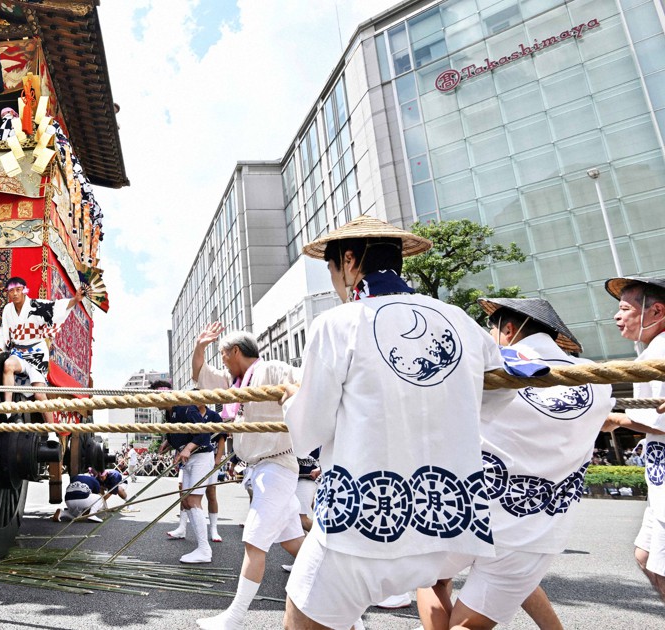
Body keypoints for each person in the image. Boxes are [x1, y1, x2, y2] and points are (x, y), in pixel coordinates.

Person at [278, 216, 511, 630]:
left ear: (349, 261)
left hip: (361, 528)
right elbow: (497, 396)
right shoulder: (462, 322)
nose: (334, 281)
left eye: (332, 269)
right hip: (450, 526)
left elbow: (308, 431)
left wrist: (293, 399)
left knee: (301, 619)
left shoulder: (338, 323)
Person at [417, 297, 615, 629]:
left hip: (466, 512)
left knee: (430, 580)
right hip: (537, 527)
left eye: (491, 329)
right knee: (469, 625)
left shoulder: (486, 366)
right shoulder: (598, 380)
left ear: (508, 329)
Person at [192, 326, 306, 629]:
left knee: (254, 542)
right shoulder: (235, 381)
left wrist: (292, 400)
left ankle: (234, 617)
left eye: (223, 355)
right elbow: (202, 377)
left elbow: (301, 382)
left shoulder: (270, 368)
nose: (223, 361)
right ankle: (347, 600)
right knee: (297, 544)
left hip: (276, 466)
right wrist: (200, 348)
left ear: (236, 352)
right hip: (260, 468)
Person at [603, 276, 665, 603]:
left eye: (625, 308)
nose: (617, 316)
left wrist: (613, 420)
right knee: (645, 557)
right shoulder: (652, 353)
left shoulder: (661, 352)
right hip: (660, 479)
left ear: (656, 311)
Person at [0, 276, 83, 443]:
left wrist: (75, 300)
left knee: (39, 393)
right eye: (11, 291)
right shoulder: (7, 310)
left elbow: (56, 308)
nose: (14, 294)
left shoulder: (36, 306)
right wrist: (0, 347)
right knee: (8, 365)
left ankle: (51, 433)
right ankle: (8, 408)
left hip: (37, 353)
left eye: (18, 290)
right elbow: (4, 331)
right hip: (18, 352)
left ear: (24, 290)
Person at [157, 389, 220, 564]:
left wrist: (187, 448)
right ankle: (198, 541)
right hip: (189, 459)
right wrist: (168, 443)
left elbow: (202, 433)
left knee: (193, 501)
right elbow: (180, 434)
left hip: (201, 456)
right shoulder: (170, 414)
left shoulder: (186, 407)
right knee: (185, 500)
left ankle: (204, 549)